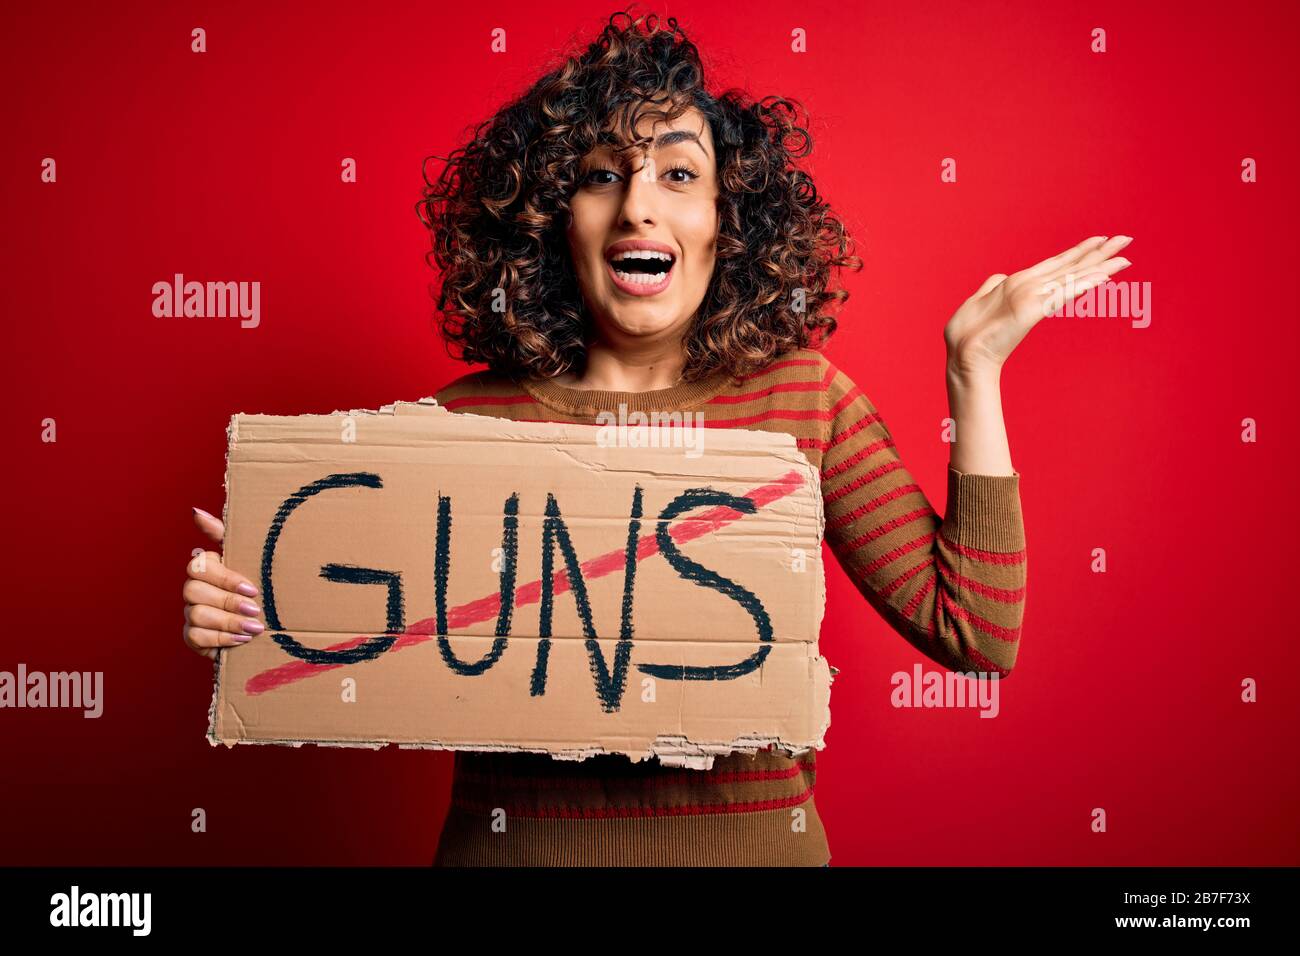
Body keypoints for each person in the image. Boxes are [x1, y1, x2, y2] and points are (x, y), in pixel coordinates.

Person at [180, 11, 1131, 866]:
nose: (639, 206)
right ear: (555, 222)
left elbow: (978, 633)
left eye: (680, 174)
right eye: (602, 177)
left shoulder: (804, 404)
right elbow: (341, 637)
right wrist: (249, 610)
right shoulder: (463, 427)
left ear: (728, 225)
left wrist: (975, 373)